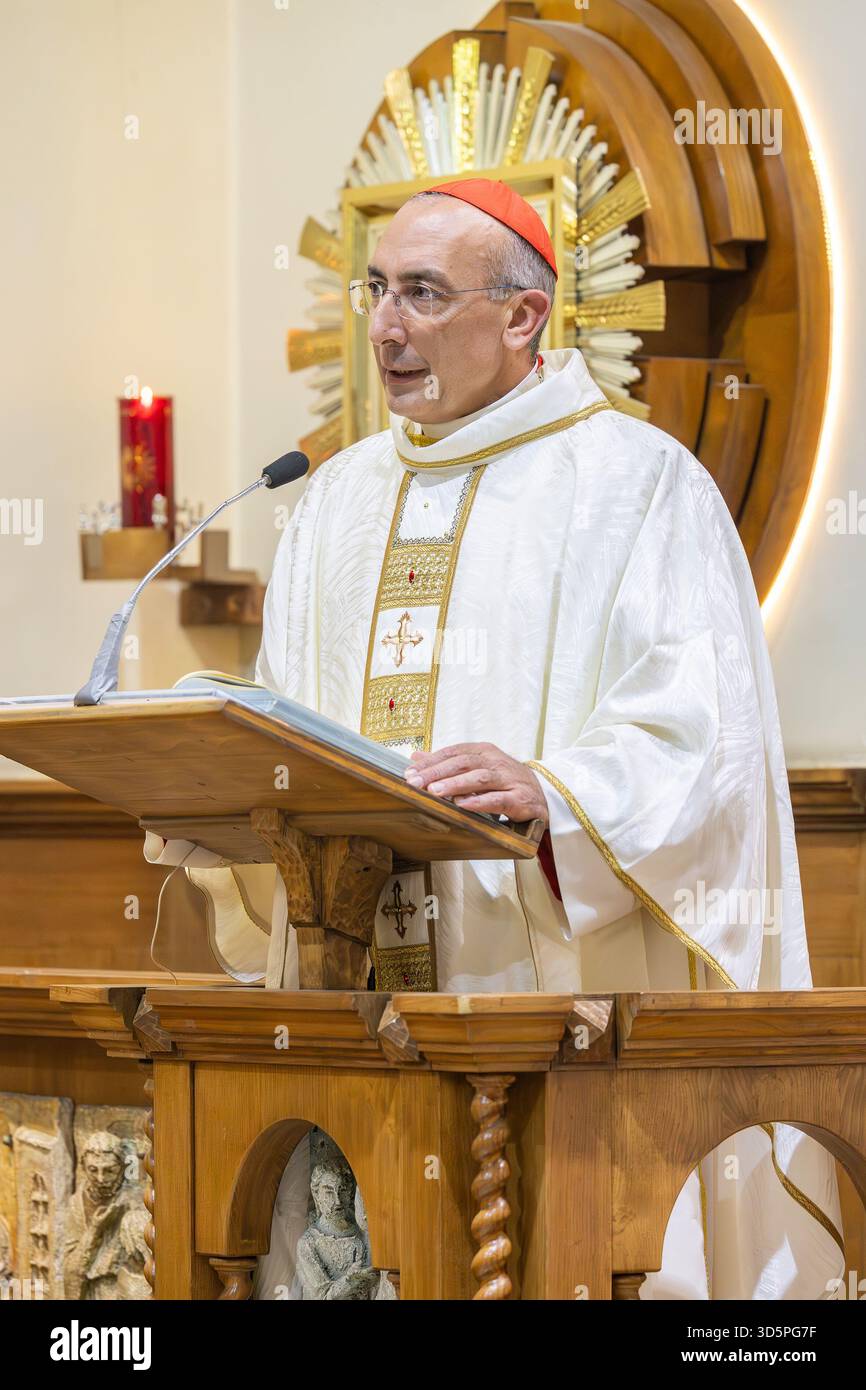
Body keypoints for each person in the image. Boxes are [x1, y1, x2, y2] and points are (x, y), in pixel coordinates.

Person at [153, 178, 844, 1300]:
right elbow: (286, 721)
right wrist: (212, 791)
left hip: (552, 1032)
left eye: (423, 293)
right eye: (376, 288)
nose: (384, 325)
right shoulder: (335, 502)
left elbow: (700, 738)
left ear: (524, 317)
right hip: (358, 1034)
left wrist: (558, 797)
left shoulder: (634, 485)